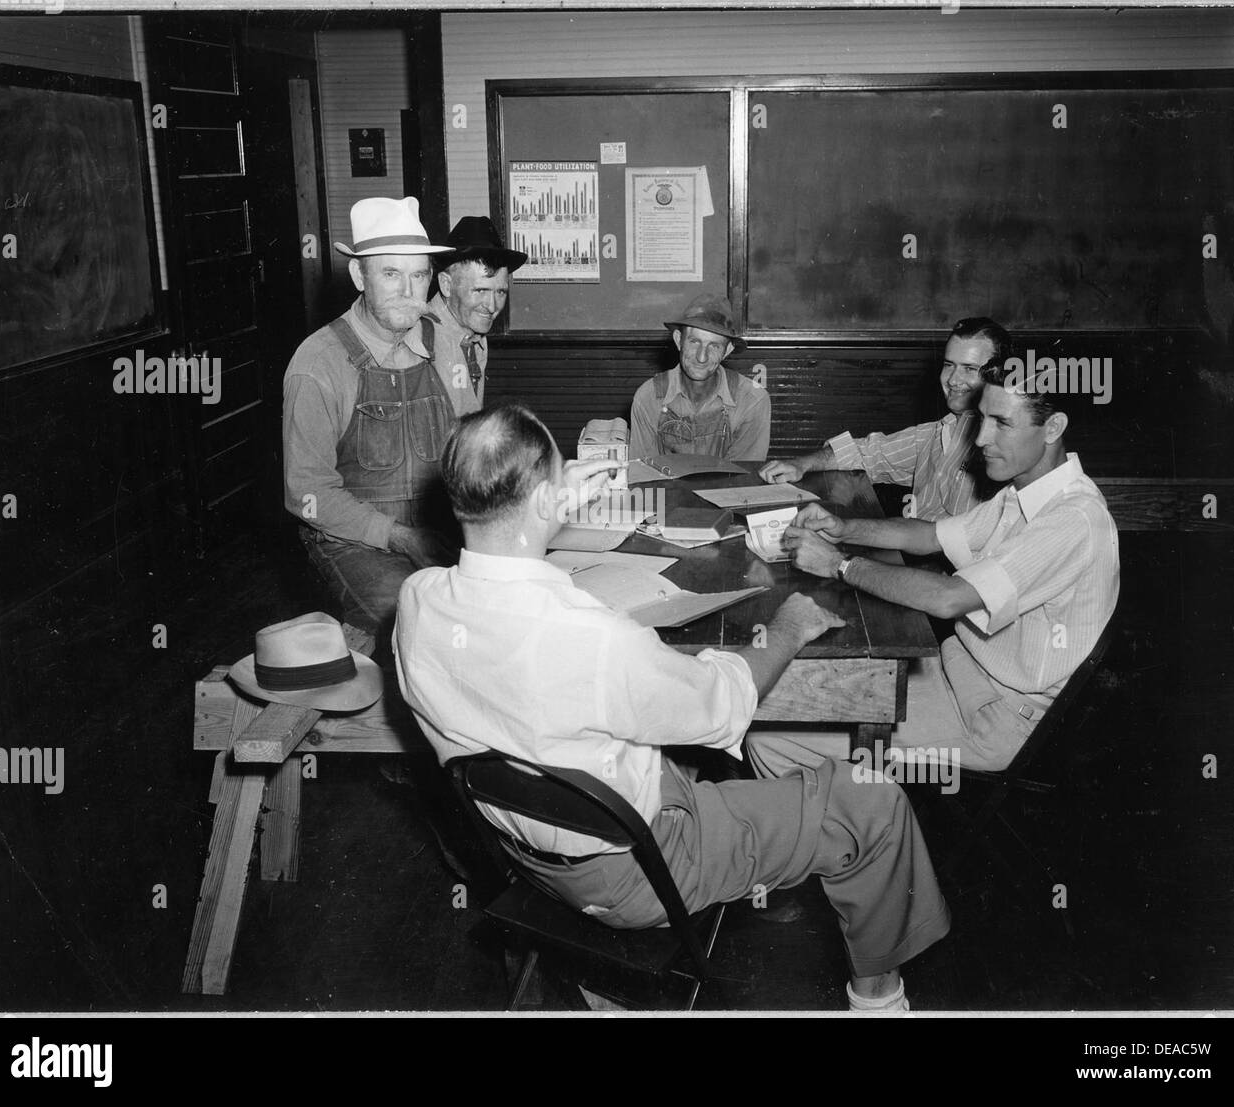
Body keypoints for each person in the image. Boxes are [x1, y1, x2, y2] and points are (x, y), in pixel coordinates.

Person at [394, 403, 950, 1012]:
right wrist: (788, 629)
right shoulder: (594, 639)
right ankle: (881, 1002)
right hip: (636, 875)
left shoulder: (417, 604)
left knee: (665, 757)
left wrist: (549, 507)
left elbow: (511, 594)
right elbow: (724, 705)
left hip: (520, 857)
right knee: (873, 801)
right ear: (545, 500)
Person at [754, 359, 1119, 776]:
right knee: (773, 697)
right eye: (982, 419)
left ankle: (864, 828)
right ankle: (857, 816)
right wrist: (844, 527)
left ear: (1052, 428)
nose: (981, 438)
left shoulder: (1072, 518)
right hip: (959, 670)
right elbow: (930, 536)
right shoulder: (1021, 494)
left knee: (770, 737)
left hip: (996, 718)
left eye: (1001, 423)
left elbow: (948, 599)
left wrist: (838, 564)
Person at [282, 196, 456, 643]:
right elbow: (308, 495)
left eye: (419, 275)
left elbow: (468, 450)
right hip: (353, 542)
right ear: (359, 275)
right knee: (419, 629)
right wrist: (399, 537)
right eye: (391, 273)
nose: (407, 290)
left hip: (437, 531)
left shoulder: (444, 345)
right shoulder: (318, 363)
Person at [760, 317, 1012, 520]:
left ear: (998, 374)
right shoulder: (939, 431)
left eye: (969, 369)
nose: (954, 380)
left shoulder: (1005, 450)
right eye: (949, 365)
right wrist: (802, 464)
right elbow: (870, 452)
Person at [629, 294, 771, 462]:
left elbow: (743, 478)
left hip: (728, 488)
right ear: (678, 340)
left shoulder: (752, 400)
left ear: (727, 351)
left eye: (714, 346)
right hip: (664, 488)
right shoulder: (648, 397)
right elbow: (644, 473)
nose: (701, 357)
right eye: (694, 342)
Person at [425, 216, 527, 417]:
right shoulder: (421, 338)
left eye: (500, 292)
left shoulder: (474, 334)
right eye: (480, 290)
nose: (491, 306)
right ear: (446, 285)